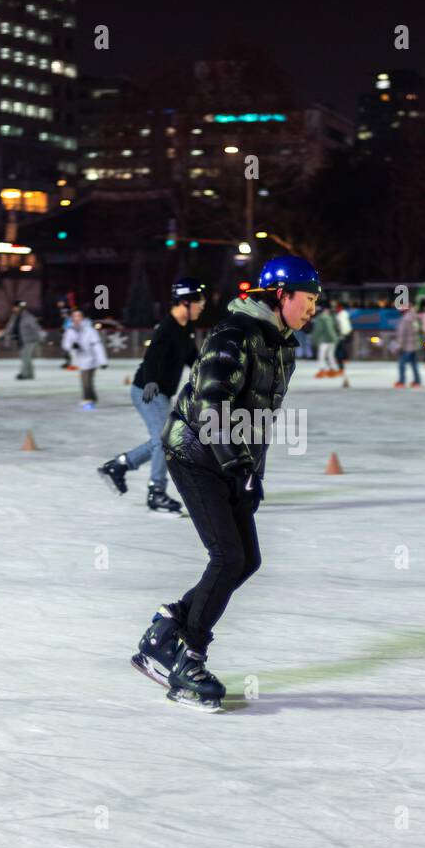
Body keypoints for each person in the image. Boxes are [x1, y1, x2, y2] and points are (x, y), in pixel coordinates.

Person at [130, 255, 315, 711]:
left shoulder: (281, 345)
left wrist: (252, 472)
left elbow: (260, 418)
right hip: (194, 453)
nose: (313, 308)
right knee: (227, 556)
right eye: (307, 299)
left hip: (230, 459)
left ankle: (166, 627)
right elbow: (214, 401)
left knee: (246, 559)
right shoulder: (235, 334)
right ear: (281, 295)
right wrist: (235, 467)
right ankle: (188, 659)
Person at [97, 278, 202, 515]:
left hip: (161, 393)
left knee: (161, 440)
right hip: (148, 390)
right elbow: (152, 355)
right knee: (165, 441)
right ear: (186, 302)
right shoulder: (167, 326)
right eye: (199, 302)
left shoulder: (186, 327)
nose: (202, 307)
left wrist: (207, 371)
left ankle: (119, 466)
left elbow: (190, 357)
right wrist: (152, 380)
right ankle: (156, 492)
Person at [61, 309, 107, 409]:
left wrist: (102, 361)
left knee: (85, 380)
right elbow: (65, 345)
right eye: (74, 316)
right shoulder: (70, 330)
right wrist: (72, 346)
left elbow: (97, 346)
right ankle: (93, 397)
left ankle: (87, 399)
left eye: (78, 316)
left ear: (82, 318)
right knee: (88, 380)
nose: (76, 318)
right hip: (81, 359)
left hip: (92, 359)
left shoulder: (90, 331)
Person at [8, 301, 42, 380]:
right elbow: (10, 327)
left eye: (15, 307)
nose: (13, 308)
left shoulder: (27, 316)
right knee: (27, 358)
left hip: (30, 340)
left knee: (25, 357)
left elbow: (35, 328)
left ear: (19, 307)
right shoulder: (15, 316)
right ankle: (30, 374)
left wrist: (38, 337)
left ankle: (24, 374)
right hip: (21, 340)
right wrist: (5, 334)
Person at [394, 305, 423, 389]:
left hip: (407, 346)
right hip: (415, 345)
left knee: (401, 364)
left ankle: (401, 381)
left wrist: (399, 346)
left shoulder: (405, 320)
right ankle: (417, 382)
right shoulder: (414, 318)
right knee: (414, 364)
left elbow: (402, 335)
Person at [311, 301, 340, 377]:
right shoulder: (331, 317)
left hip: (324, 340)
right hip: (333, 339)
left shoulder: (321, 318)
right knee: (330, 355)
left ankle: (322, 370)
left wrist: (314, 340)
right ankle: (333, 370)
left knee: (321, 356)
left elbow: (318, 330)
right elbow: (336, 327)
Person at [333, 301, 352, 371]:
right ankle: (343, 361)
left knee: (339, 350)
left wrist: (341, 334)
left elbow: (343, 326)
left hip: (342, 335)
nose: (335, 309)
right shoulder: (342, 315)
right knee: (340, 349)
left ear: (340, 308)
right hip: (344, 334)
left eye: (337, 308)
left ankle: (341, 365)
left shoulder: (341, 315)